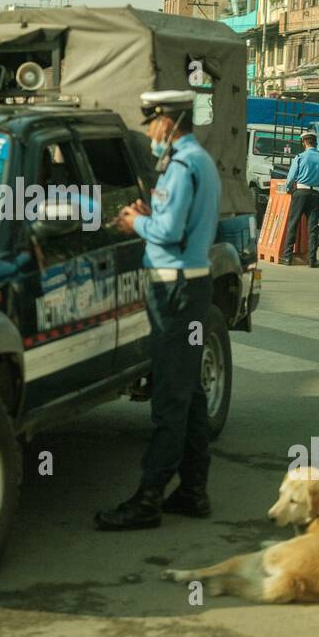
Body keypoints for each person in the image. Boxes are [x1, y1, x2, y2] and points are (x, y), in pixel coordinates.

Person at [94, 90, 221, 531]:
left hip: (175, 290)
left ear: (169, 120)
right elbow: (178, 222)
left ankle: (148, 499)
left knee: (169, 395)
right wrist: (151, 215)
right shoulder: (197, 161)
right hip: (191, 285)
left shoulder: (182, 166)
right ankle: (193, 490)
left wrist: (136, 222)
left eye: (152, 122)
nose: (149, 131)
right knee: (190, 393)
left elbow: (167, 232)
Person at [281, 132, 319, 268]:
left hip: (300, 193)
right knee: (313, 228)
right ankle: (312, 260)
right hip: (315, 194)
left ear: (304, 143)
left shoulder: (300, 157)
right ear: (315, 143)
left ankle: (287, 257)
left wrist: (288, 189)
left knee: (293, 224)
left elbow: (291, 177)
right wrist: (318, 190)